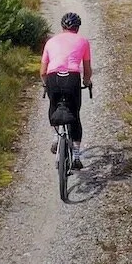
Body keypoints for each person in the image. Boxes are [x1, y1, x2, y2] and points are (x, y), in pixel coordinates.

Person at [41, 11, 92, 169]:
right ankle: (76, 156)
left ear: (62, 27)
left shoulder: (50, 42)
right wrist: (87, 81)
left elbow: (42, 71)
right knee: (74, 114)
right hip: (72, 78)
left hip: (53, 77)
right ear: (77, 28)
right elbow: (87, 68)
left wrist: (45, 83)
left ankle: (56, 137)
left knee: (53, 105)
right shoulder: (83, 41)